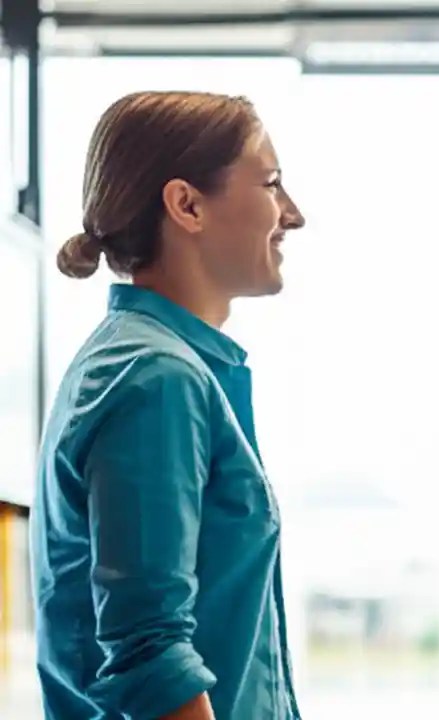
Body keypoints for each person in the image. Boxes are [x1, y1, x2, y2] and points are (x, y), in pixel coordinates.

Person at [30, 90, 306, 720]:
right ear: (187, 205)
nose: (292, 215)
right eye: (271, 184)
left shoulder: (151, 364)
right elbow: (149, 656)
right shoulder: (156, 378)